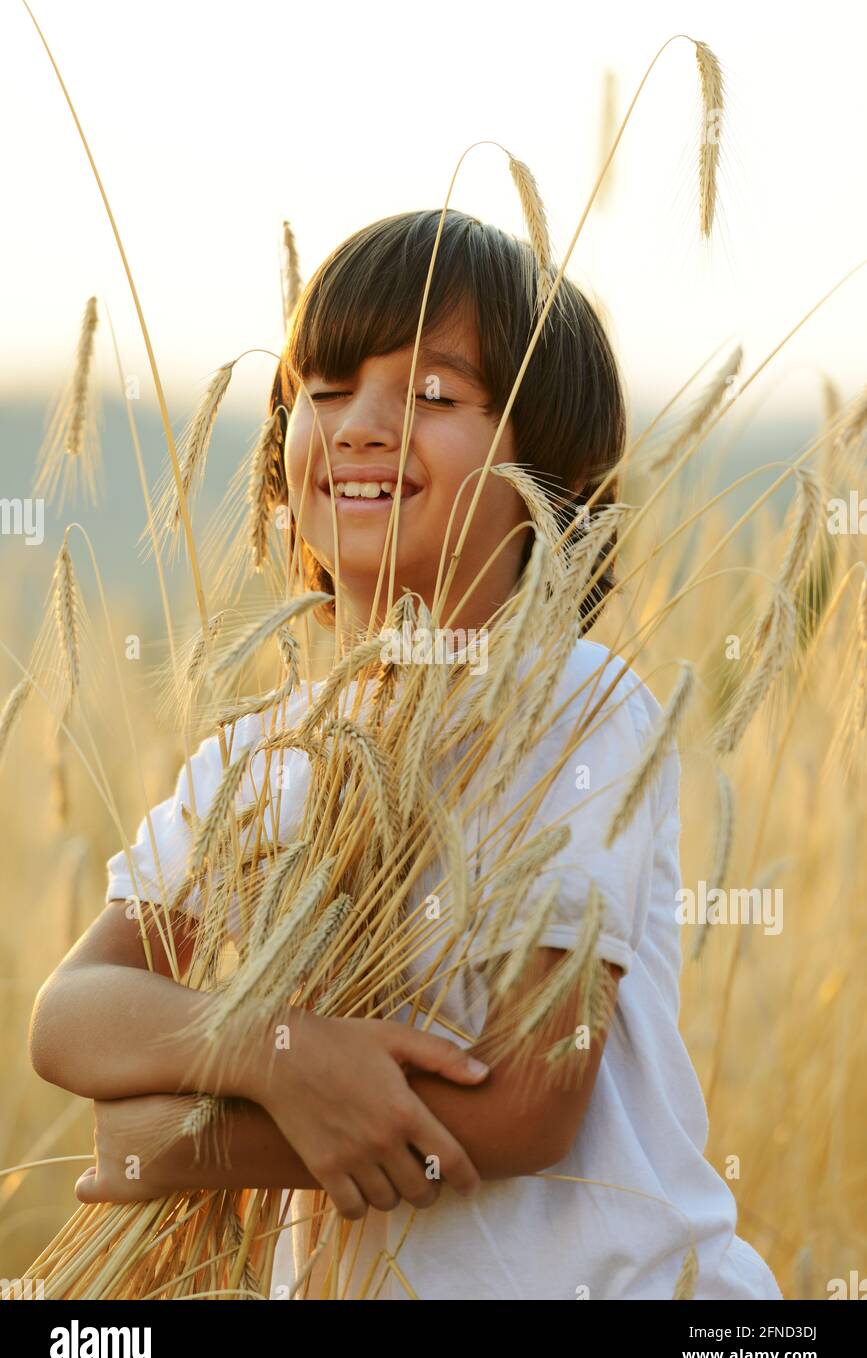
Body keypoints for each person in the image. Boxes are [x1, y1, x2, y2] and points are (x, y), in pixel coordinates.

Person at [28, 209, 783, 1299]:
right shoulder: (259, 756)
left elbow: (529, 1104)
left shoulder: (573, 712)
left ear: (546, 466)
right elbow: (74, 1015)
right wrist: (278, 1053)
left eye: (432, 395)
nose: (360, 427)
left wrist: (197, 1140)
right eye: (325, 391)